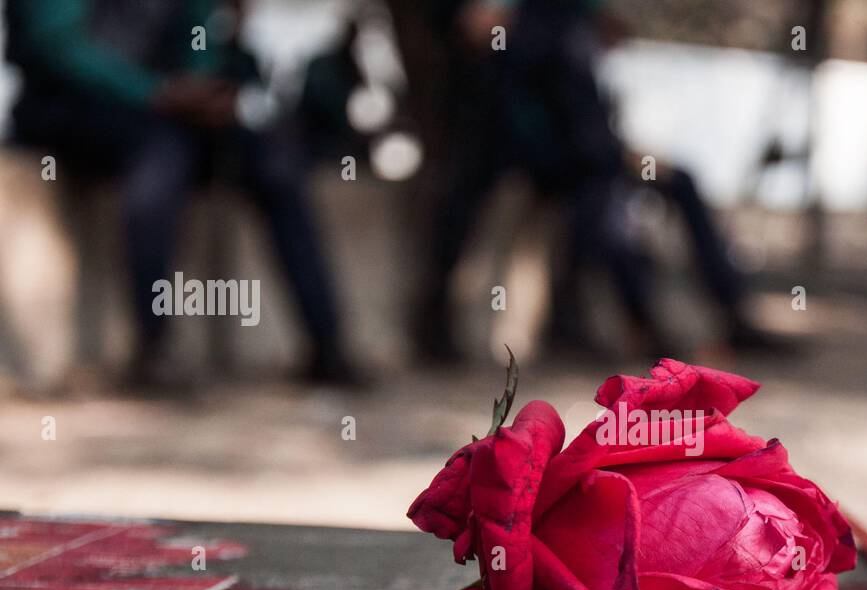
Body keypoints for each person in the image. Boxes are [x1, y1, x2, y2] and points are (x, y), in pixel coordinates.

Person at [4, 0, 360, 389]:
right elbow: (59, 47)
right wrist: (156, 93)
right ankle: (153, 351)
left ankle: (328, 347)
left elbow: (200, 31)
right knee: (162, 156)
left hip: (168, 111)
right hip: (71, 107)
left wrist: (200, 85)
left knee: (273, 156)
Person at [409, 0, 782, 363]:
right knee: (607, 221)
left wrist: (619, 150)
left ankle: (725, 312)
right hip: (540, 152)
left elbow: (589, 96)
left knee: (672, 184)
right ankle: (641, 326)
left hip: (588, 150)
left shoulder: (572, 27)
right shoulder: (524, 32)